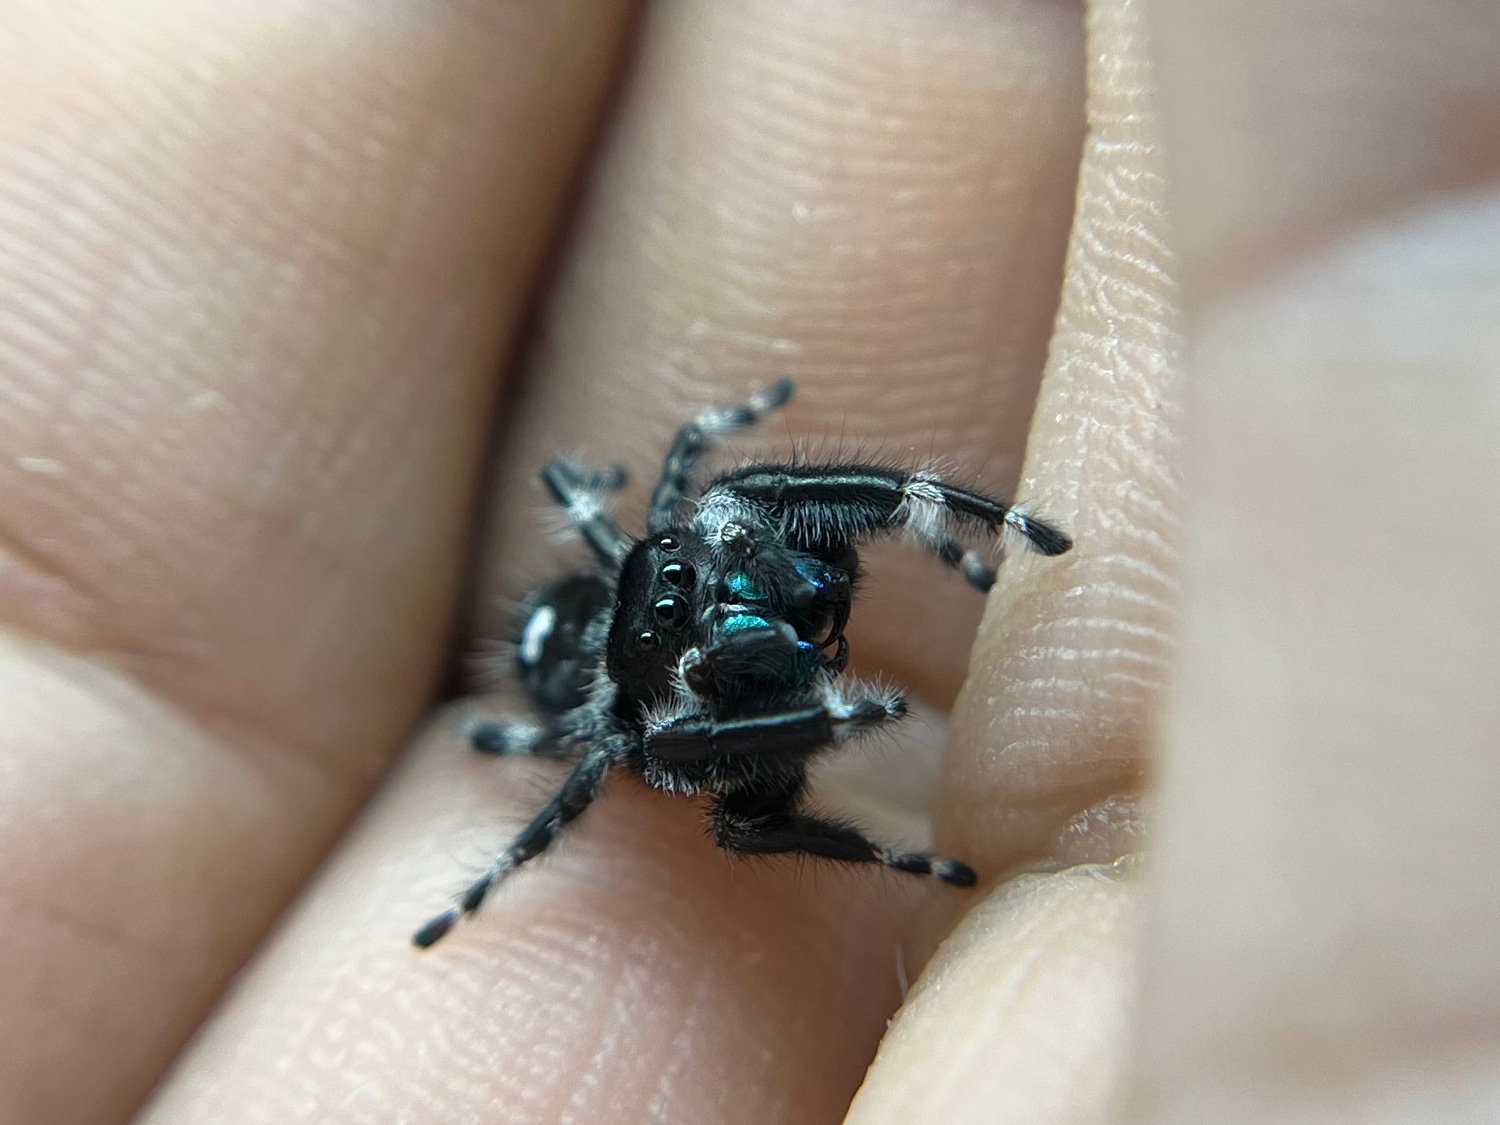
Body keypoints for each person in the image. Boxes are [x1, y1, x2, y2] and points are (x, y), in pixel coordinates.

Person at [2, 1, 1494, 1121]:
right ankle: (855, 755)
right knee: (721, 805)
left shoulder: (705, 542)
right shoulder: (648, 703)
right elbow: (595, 761)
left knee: (719, 521)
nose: (733, 581)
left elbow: (694, 479)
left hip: (666, 619)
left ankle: (930, 514)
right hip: (658, 705)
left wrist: (914, 507)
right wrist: (507, 872)